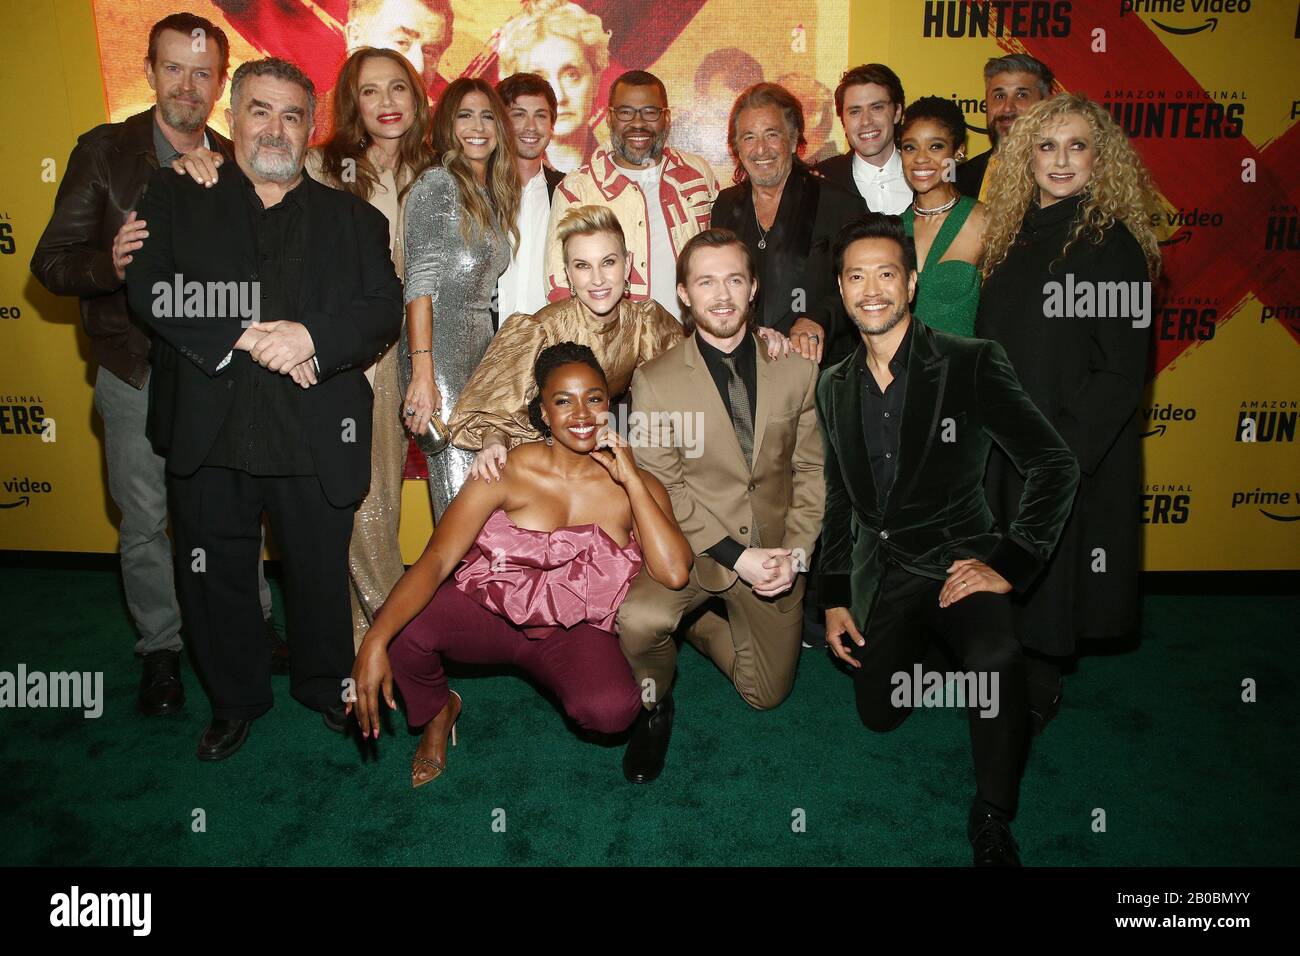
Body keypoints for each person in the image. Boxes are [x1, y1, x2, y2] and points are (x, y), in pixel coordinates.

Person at [124, 58, 403, 760]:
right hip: (208, 428)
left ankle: (322, 686)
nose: (274, 127)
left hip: (312, 433)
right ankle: (235, 700)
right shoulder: (176, 195)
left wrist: (311, 336)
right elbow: (152, 289)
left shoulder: (356, 220)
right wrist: (249, 335)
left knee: (315, 575)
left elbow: (381, 312)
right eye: (258, 110)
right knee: (212, 579)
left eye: (291, 114)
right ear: (233, 116)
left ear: (312, 128)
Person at [29, 12, 284, 715]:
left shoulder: (239, 157)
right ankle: (162, 651)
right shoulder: (105, 152)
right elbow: (49, 261)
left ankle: (253, 624)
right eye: (173, 68)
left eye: (202, 73)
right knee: (145, 518)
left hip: (219, 373)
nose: (187, 84)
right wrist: (107, 264)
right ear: (148, 72)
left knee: (235, 506)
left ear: (220, 83)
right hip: (135, 368)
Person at [818, 213, 1079, 866]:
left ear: (910, 284)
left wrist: (1012, 563)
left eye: (886, 274)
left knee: (994, 661)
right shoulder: (832, 387)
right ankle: (934, 656)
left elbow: (1054, 464)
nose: (871, 288)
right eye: (856, 276)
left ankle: (993, 814)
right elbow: (837, 502)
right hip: (887, 573)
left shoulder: (970, 362)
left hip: (961, 562)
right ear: (842, 291)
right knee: (878, 713)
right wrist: (833, 596)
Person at [170, 48, 435, 650]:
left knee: (430, 504)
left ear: (418, 100)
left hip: (421, 351)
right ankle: (375, 649)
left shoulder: (441, 168)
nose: (386, 103)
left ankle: (408, 638)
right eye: (370, 91)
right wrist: (202, 162)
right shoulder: (317, 163)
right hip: (339, 361)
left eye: (399, 88)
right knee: (359, 513)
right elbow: (257, 177)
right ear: (348, 104)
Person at [349, 343, 692, 787]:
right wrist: (375, 638)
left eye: (594, 397)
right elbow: (436, 560)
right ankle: (438, 713)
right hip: (492, 615)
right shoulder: (507, 471)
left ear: (610, 404)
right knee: (402, 629)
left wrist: (632, 481)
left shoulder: (633, 483)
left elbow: (675, 572)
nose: (582, 413)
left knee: (609, 711)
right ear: (544, 413)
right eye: (563, 401)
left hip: (574, 631)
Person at [977, 93, 1162, 735]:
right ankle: (1002, 661)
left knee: (1056, 563)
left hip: (1064, 440)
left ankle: (1042, 675)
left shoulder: (1113, 245)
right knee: (1011, 551)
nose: (1061, 160)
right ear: (1025, 156)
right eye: (1047, 146)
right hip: (1006, 431)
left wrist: (1057, 453)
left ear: (1099, 159)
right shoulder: (1011, 232)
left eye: (1077, 145)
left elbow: (1120, 371)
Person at [616, 229, 825, 785]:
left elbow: (810, 472)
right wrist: (737, 556)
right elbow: (666, 489)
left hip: (775, 553)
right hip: (693, 549)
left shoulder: (796, 369)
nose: (723, 294)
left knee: (766, 696)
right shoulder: (655, 381)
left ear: (754, 287)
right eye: (705, 281)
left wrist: (797, 554)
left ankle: (702, 629)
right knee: (639, 621)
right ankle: (656, 706)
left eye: (735, 278)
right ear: (683, 293)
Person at [452, 204, 683, 481]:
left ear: (628, 264)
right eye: (582, 266)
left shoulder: (646, 323)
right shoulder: (540, 330)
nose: (598, 279)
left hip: (605, 452)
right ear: (569, 274)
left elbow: (682, 388)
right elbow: (497, 408)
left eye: (608, 262)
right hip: (545, 460)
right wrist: (493, 442)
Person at [400, 77, 521, 519]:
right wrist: (422, 373)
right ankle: (458, 586)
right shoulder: (438, 184)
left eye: (488, 116)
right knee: (459, 498)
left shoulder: (487, 192)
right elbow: (420, 283)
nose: (478, 127)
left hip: (479, 353)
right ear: (448, 126)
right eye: (465, 115)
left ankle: (475, 586)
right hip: (439, 356)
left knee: (483, 487)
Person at [710, 82, 866, 367]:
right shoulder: (725, 205)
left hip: (816, 370)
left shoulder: (840, 205)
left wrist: (817, 318)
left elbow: (862, 285)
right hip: (742, 365)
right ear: (736, 147)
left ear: (793, 140)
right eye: (748, 137)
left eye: (772, 134)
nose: (760, 149)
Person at [544, 70, 720, 322]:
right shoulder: (577, 189)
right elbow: (559, 287)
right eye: (626, 112)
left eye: (650, 112)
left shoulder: (697, 173)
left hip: (692, 341)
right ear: (609, 118)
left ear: (666, 118)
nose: (638, 123)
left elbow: (724, 258)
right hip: (617, 349)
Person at [899, 96, 986, 337]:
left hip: (963, 370)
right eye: (910, 147)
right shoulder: (891, 228)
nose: (920, 158)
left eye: (935, 146)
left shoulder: (985, 221)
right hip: (901, 371)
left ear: (959, 151)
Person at [497, 0, 611, 174]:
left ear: (596, 80)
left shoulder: (629, 179)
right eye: (537, 82)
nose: (558, 96)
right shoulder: (497, 184)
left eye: (571, 75)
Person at [495, 72, 568, 324]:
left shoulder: (569, 191)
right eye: (518, 115)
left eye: (540, 116)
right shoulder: (475, 191)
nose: (531, 127)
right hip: (483, 348)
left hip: (548, 345)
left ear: (552, 126)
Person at [815, 64, 911, 215]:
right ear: (843, 121)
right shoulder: (819, 183)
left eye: (877, 107)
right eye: (855, 112)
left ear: (897, 112)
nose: (866, 121)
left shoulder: (932, 174)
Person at [956, 54, 1053, 201]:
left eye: (1021, 95)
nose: (1008, 108)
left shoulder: (1061, 176)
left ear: (1045, 104)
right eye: (999, 96)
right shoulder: (958, 180)